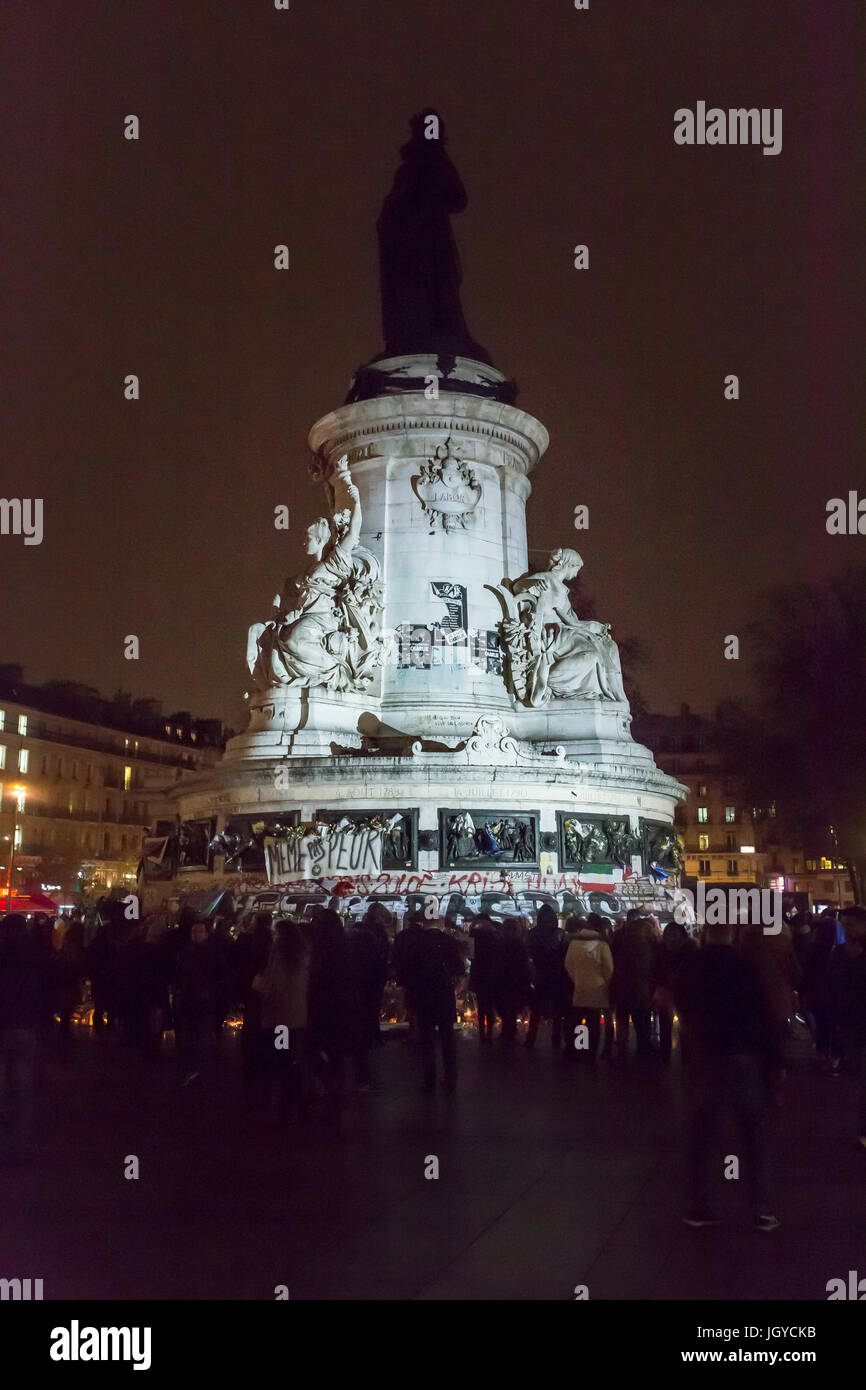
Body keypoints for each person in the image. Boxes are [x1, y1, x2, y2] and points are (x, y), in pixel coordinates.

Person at [675, 920, 779, 1232]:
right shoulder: (746, 965)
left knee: (702, 1131)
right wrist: (774, 1060)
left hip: (707, 1053)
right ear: (732, 935)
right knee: (752, 1131)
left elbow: (683, 1004)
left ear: (706, 934)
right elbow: (765, 1011)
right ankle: (761, 1207)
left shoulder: (692, 965)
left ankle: (699, 1205)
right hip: (742, 1051)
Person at [397, 911, 465, 1093]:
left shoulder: (415, 943)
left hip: (423, 993)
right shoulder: (447, 941)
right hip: (443, 993)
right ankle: (450, 1077)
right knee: (447, 1037)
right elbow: (459, 967)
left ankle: (429, 1079)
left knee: (426, 1039)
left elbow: (406, 969)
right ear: (439, 922)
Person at [0, 914, 49, 1164]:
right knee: (23, 1086)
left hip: (3, 1022)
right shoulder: (35, 955)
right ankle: (21, 1145)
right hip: (25, 1024)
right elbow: (41, 990)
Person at [739, 921, 801, 1105]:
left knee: (756, 1045)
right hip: (777, 1001)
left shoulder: (745, 939)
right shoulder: (782, 938)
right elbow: (795, 972)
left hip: (750, 1001)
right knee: (776, 1044)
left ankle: (758, 1086)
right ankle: (775, 1087)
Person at [254, 919, 311, 1117]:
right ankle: (299, 1097)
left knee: (282, 1056)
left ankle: (287, 1102)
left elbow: (275, 988)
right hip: (297, 1015)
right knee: (294, 1054)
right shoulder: (302, 955)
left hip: (281, 1018)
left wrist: (258, 983)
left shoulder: (280, 957)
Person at [306, 908, 352, 1119]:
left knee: (311, 1048)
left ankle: (330, 1085)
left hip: (320, 1005)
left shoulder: (318, 949)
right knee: (336, 1051)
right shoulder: (345, 946)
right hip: (342, 1005)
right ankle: (338, 1087)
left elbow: (314, 978)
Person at [174, 920, 226, 1086]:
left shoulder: (207, 953)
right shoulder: (188, 952)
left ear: (206, 934)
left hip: (201, 1000)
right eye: (194, 932)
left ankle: (197, 1068)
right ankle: (197, 1067)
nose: (196, 935)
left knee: (198, 1035)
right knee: (193, 1035)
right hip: (192, 999)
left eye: (199, 932)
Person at [564, 916, 613, 1061]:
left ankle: (580, 1048)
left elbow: (568, 965)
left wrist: (577, 978)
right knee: (594, 1024)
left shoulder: (574, 944)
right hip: (598, 989)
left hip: (579, 988)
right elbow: (609, 969)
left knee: (579, 1021)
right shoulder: (602, 945)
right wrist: (604, 983)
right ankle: (591, 1052)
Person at [610, 910, 656, 1060]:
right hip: (640, 987)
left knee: (625, 1016)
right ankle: (643, 1047)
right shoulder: (647, 943)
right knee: (641, 1018)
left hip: (623, 985)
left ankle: (622, 1048)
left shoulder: (620, 937)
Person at [653, 920, 697, 1063]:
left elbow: (656, 971)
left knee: (666, 1026)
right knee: (684, 1026)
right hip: (684, 992)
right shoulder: (690, 949)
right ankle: (686, 1058)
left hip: (666, 991)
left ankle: (665, 1057)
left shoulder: (660, 949)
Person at [525, 905, 562, 1049]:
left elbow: (529, 952)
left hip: (539, 973)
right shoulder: (559, 933)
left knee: (536, 1009)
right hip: (556, 973)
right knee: (557, 1008)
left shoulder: (533, 933)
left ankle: (531, 1038)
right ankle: (556, 1036)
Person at [494, 917, 532, 1045]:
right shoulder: (519, 944)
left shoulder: (500, 943)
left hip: (502, 980)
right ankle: (510, 1031)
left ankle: (507, 1031)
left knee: (504, 1007)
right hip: (517, 981)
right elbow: (524, 963)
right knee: (513, 1007)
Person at [468, 914, 500, 1042]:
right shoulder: (495, 935)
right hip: (491, 972)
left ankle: (482, 1032)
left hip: (478, 972)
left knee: (481, 1005)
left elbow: (470, 955)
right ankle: (489, 1033)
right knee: (490, 1004)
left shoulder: (474, 935)